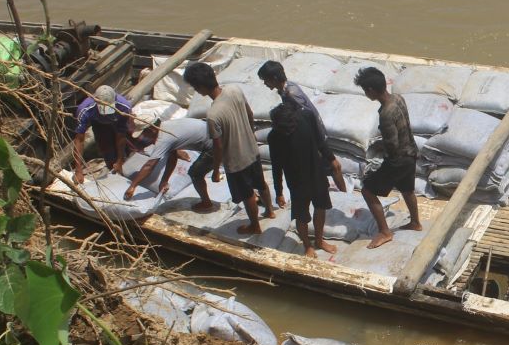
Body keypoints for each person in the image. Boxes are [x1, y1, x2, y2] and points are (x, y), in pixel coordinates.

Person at [183, 62, 275, 233]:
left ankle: (254, 226)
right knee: (261, 183)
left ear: (202, 86)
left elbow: (218, 146)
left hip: (236, 161)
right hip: (252, 151)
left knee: (247, 194)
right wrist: (250, 136)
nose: (196, 91)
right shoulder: (235, 90)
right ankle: (270, 211)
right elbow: (250, 114)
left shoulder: (213, 115)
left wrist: (217, 170)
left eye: (195, 87)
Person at [355, 66, 421, 249]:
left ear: (371, 91)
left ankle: (385, 232)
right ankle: (415, 222)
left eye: (365, 90)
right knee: (407, 189)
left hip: (398, 160)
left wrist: (379, 148)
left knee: (367, 190)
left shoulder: (385, 114)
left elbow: (392, 145)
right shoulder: (399, 98)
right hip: (412, 153)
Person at [256, 60, 347, 192]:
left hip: (314, 135)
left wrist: (312, 140)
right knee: (325, 166)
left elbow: (308, 117)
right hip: (313, 133)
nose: (265, 83)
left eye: (266, 80)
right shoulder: (287, 88)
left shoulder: (290, 94)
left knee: (332, 166)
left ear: (274, 78)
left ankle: (343, 193)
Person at [268, 96, 339, 258]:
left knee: (321, 207)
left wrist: (332, 158)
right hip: (296, 179)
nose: (289, 132)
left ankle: (319, 240)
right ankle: (307, 245)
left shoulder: (306, 117)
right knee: (301, 215)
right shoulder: (274, 137)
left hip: (316, 171)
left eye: (290, 128)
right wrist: (279, 191)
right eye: (285, 130)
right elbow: (276, 165)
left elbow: (320, 141)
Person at [122, 118, 214, 206]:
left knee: (195, 173)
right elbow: (172, 157)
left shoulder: (163, 139)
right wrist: (164, 181)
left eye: (144, 133)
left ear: (151, 129)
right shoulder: (166, 126)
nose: (144, 137)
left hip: (215, 143)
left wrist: (133, 186)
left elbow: (149, 166)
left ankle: (206, 203)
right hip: (214, 132)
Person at [72, 85, 136, 184]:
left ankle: (122, 163)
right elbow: (79, 140)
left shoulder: (124, 107)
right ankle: (112, 168)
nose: (106, 111)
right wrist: (78, 169)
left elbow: (121, 135)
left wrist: (119, 160)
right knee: (107, 151)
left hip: (117, 120)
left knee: (127, 150)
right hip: (99, 124)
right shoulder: (84, 110)